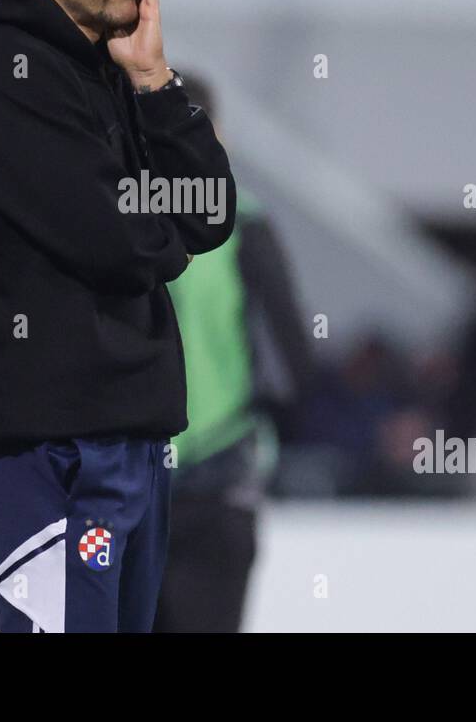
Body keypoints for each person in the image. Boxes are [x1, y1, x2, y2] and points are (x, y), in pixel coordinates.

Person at [0, 0, 236, 632]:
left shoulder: (111, 68)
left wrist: (156, 82)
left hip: (131, 436)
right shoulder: (2, 77)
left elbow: (207, 216)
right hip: (51, 450)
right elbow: (125, 242)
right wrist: (158, 229)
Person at [150, 74, 312, 633]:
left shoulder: (119, 218)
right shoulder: (247, 222)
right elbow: (295, 355)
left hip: (131, 475)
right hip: (221, 476)